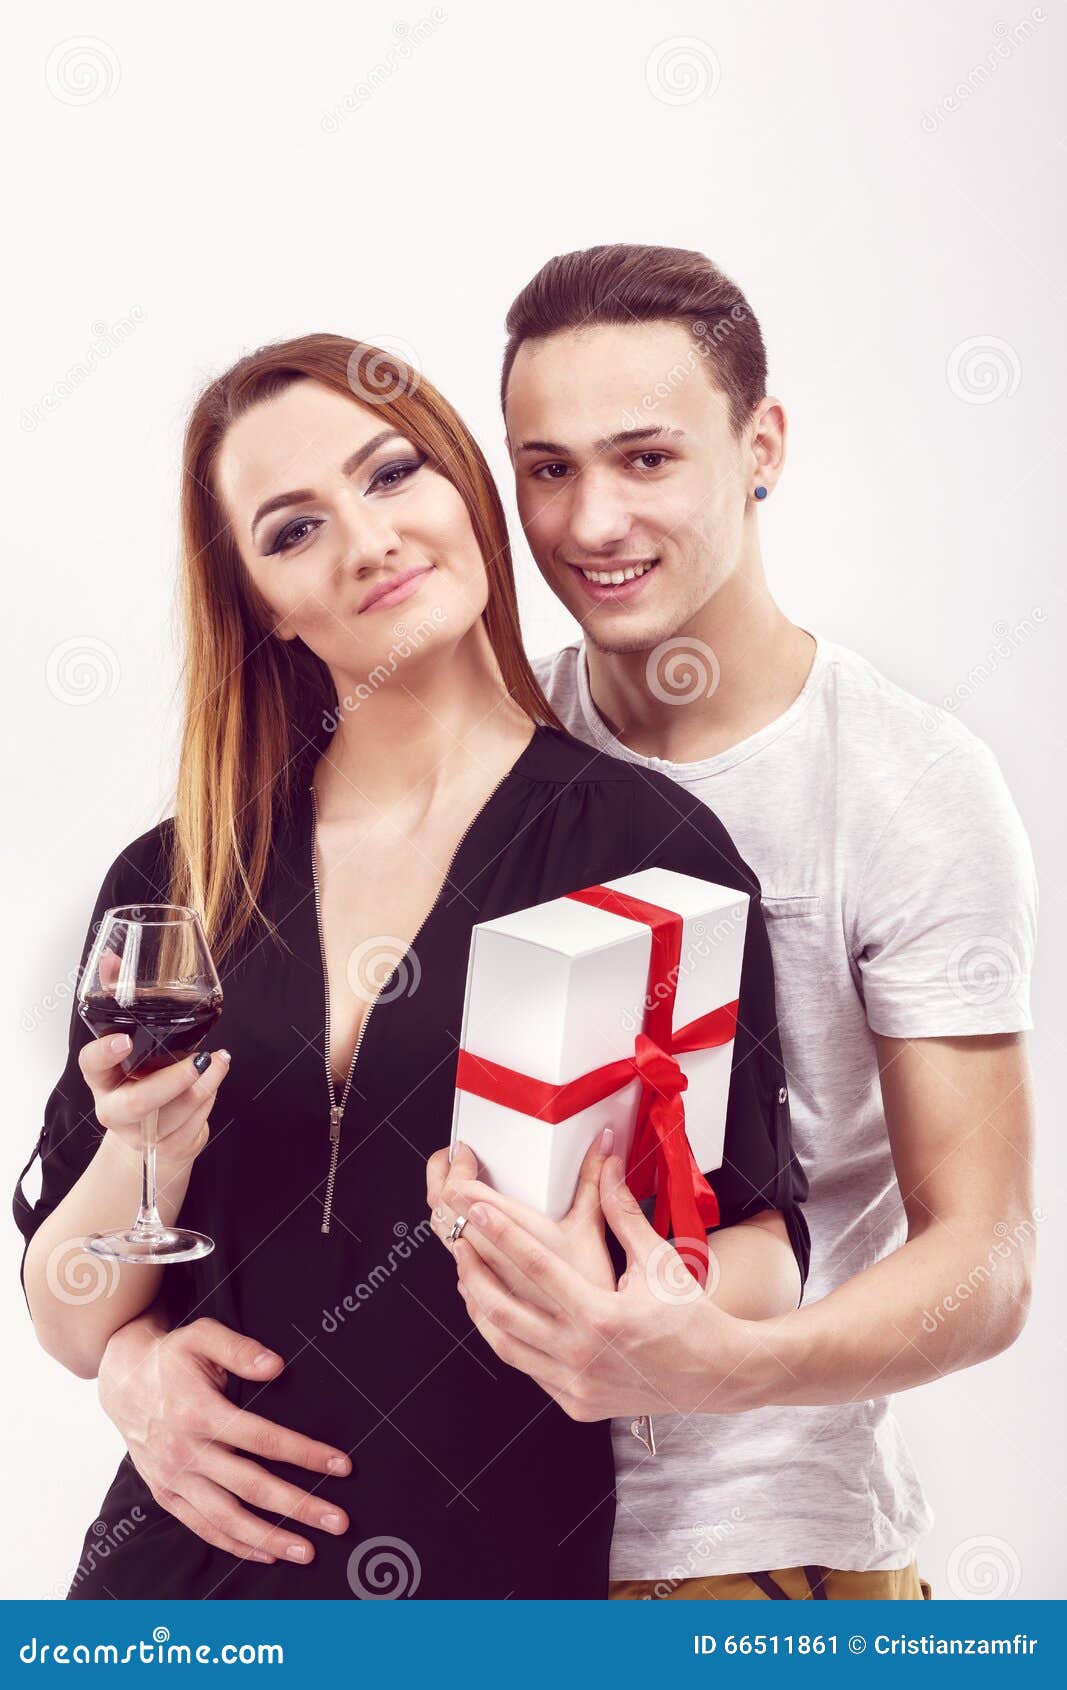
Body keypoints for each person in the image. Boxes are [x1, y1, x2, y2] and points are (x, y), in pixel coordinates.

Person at [13, 332, 808, 1600]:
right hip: (175, 1594)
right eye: (293, 530)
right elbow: (67, 1317)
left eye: (390, 475)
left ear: (464, 489)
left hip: (483, 1586)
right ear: (262, 604)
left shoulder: (644, 847)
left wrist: (633, 1302)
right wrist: (138, 1157)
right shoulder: (181, 874)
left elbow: (759, 1243)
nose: (368, 540)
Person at [427, 244, 1038, 1602]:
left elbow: (985, 1258)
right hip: (471, 1548)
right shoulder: (485, 752)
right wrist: (132, 1354)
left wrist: (729, 1365)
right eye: (546, 468)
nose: (590, 521)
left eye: (645, 459)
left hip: (752, 1555)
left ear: (760, 447)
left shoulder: (905, 786)